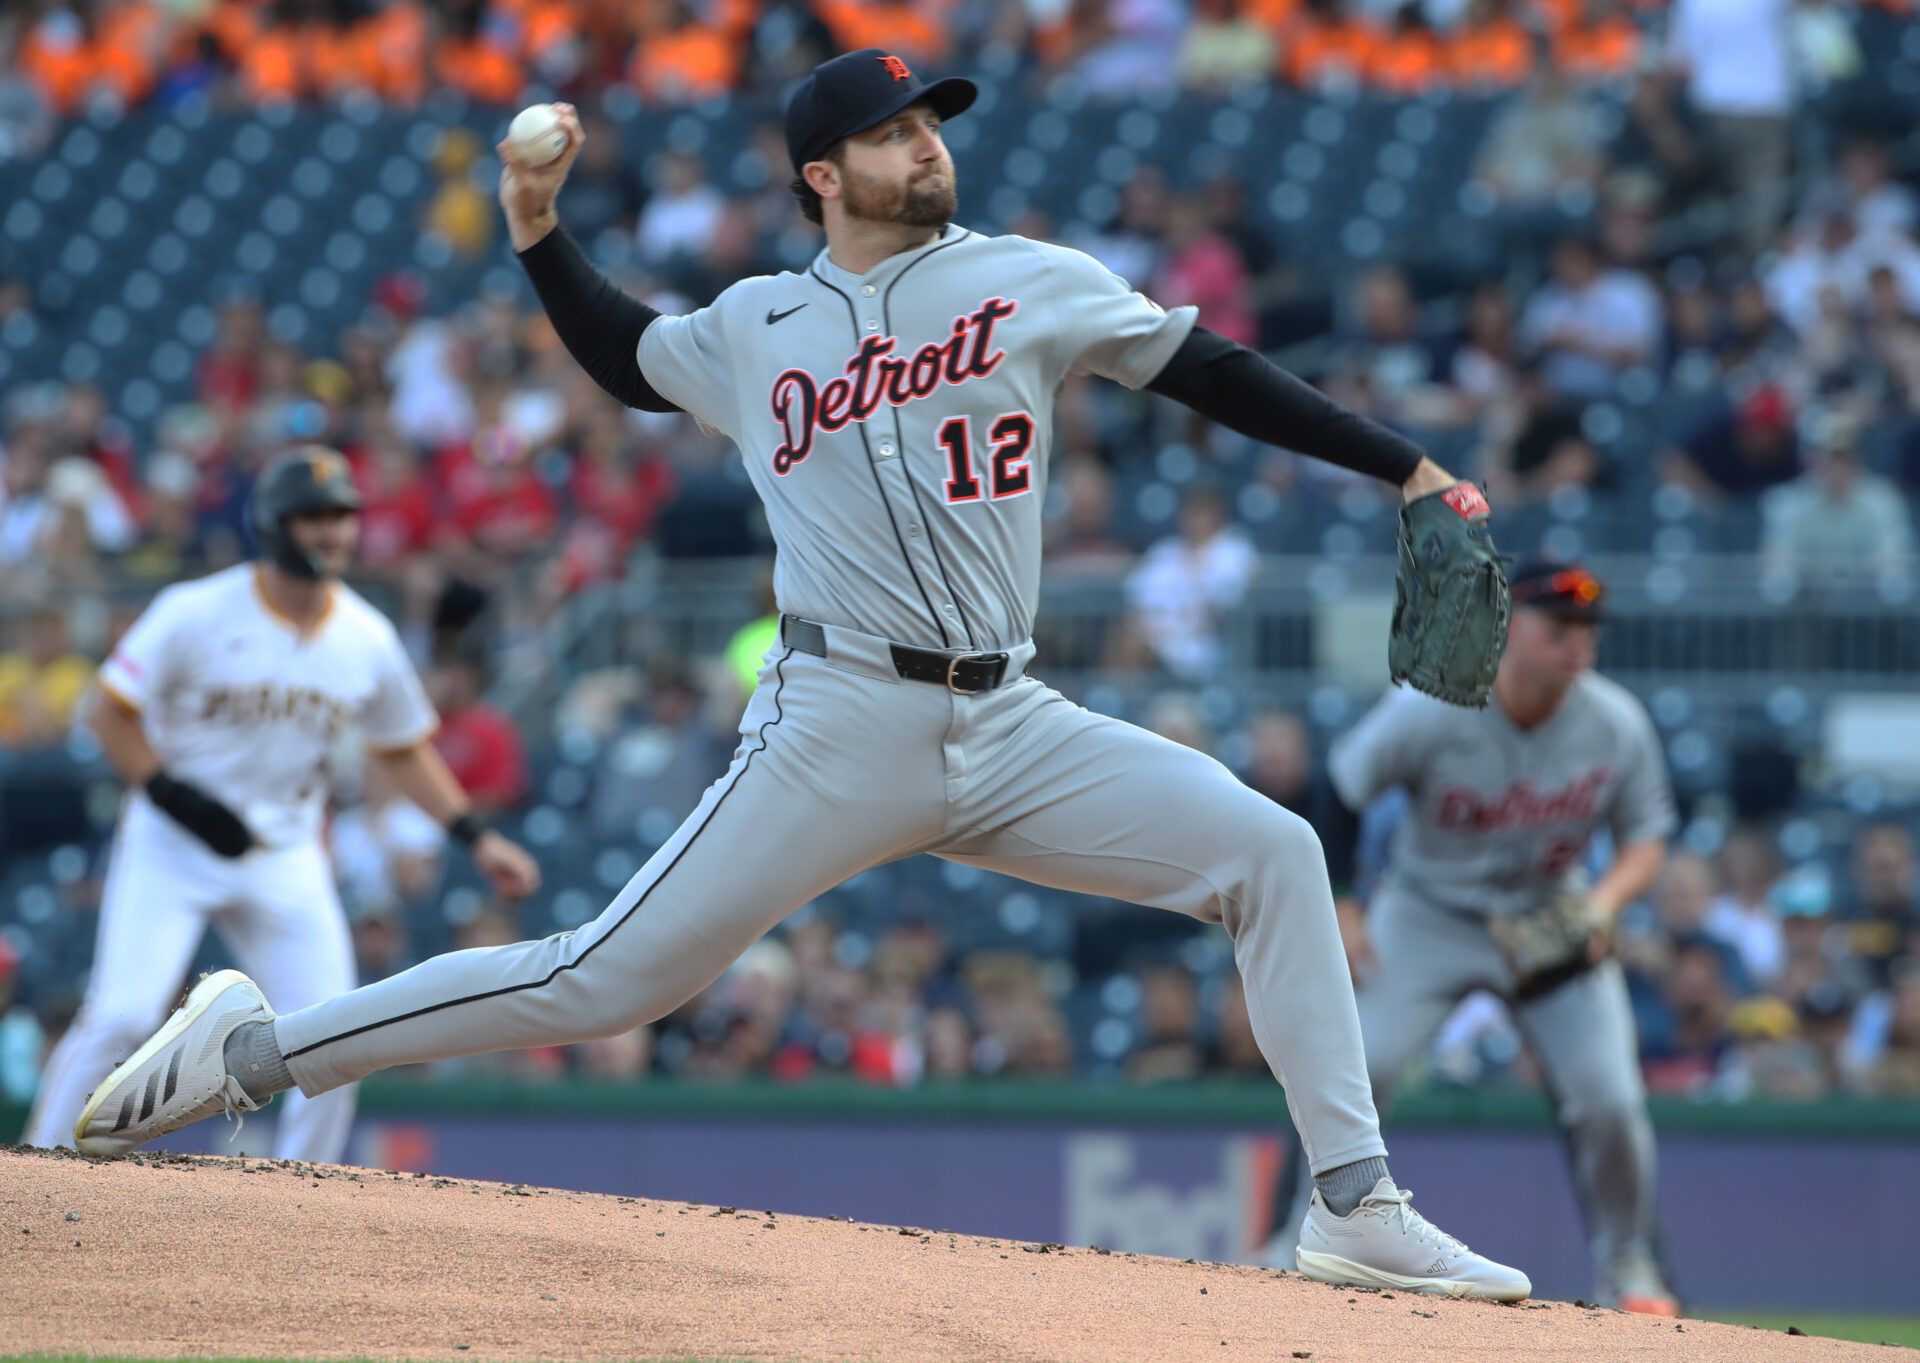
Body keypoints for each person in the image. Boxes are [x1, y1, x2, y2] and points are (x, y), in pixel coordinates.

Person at [79, 51, 1527, 1302]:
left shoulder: (1032, 279)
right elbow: (628, 356)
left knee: (1272, 850)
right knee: (600, 976)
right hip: (838, 716)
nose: (929, 145)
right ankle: (257, 1048)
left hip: (1012, 716)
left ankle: (1352, 1204)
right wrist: (535, 232)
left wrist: (1399, 461)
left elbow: (1211, 368)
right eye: (898, 132)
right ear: (824, 175)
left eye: (935, 123)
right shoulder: (756, 324)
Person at [26, 448, 540, 1163]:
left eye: (340, 516)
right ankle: (39, 1162)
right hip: (173, 843)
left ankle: (304, 1192)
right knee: (121, 1017)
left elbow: (403, 747)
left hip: (285, 854)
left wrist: (476, 836)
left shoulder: (366, 635)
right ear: (272, 523)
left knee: (335, 1040)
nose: (330, 532)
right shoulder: (196, 610)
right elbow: (111, 711)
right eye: (312, 517)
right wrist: (171, 792)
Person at [1275, 558, 1680, 1313]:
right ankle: (1296, 1238)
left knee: (1611, 1099)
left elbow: (1646, 837)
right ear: (1509, 628)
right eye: (1560, 628)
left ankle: (1631, 1267)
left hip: (1549, 918)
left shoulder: (1615, 720)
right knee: (1364, 1064)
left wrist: (1605, 901)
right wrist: (1345, 903)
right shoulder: (1435, 701)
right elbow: (1340, 788)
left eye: (1587, 629)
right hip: (1431, 912)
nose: (1578, 644)